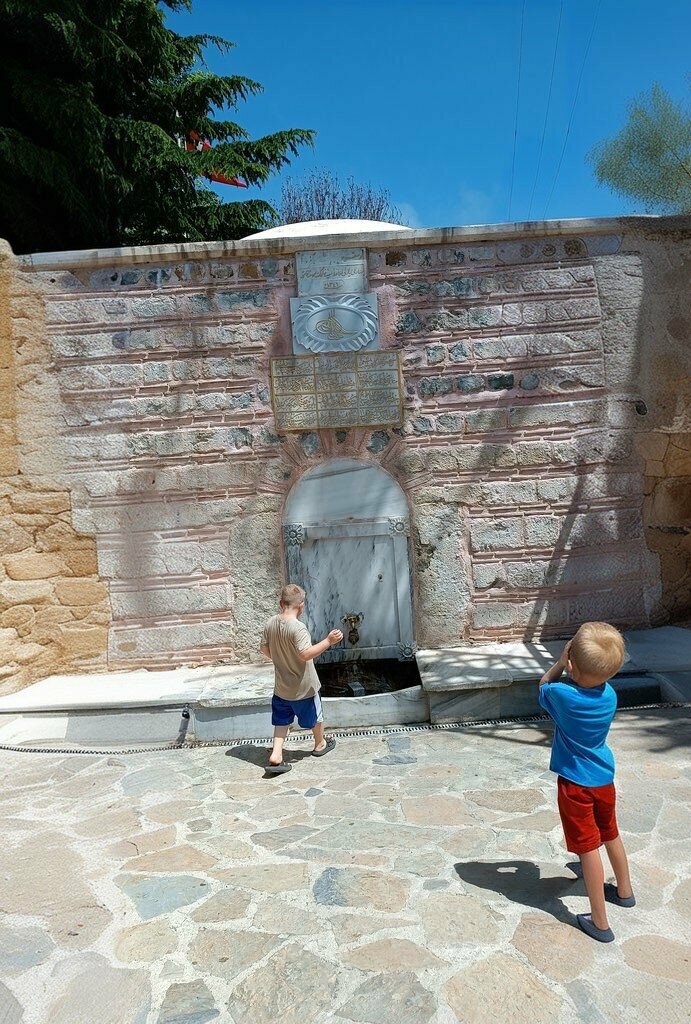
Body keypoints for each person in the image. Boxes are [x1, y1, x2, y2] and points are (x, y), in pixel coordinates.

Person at [538, 621, 635, 942]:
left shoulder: (562, 696)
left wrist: (558, 664)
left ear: (571, 664)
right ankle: (624, 891)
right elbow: (590, 680)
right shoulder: (610, 696)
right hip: (603, 779)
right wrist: (575, 665)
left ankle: (600, 922)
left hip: (575, 785)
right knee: (610, 833)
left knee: (588, 848)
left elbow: (543, 686)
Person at [259, 583, 343, 775]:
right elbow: (305, 654)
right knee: (316, 717)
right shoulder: (298, 628)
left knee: (281, 722)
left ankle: (276, 754)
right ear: (302, 606)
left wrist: (280, 658)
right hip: (305, 688)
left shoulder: (270, 623)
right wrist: (328, 641)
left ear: (281, 603)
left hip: (281, 689)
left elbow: (263, 649)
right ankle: (320, 743)